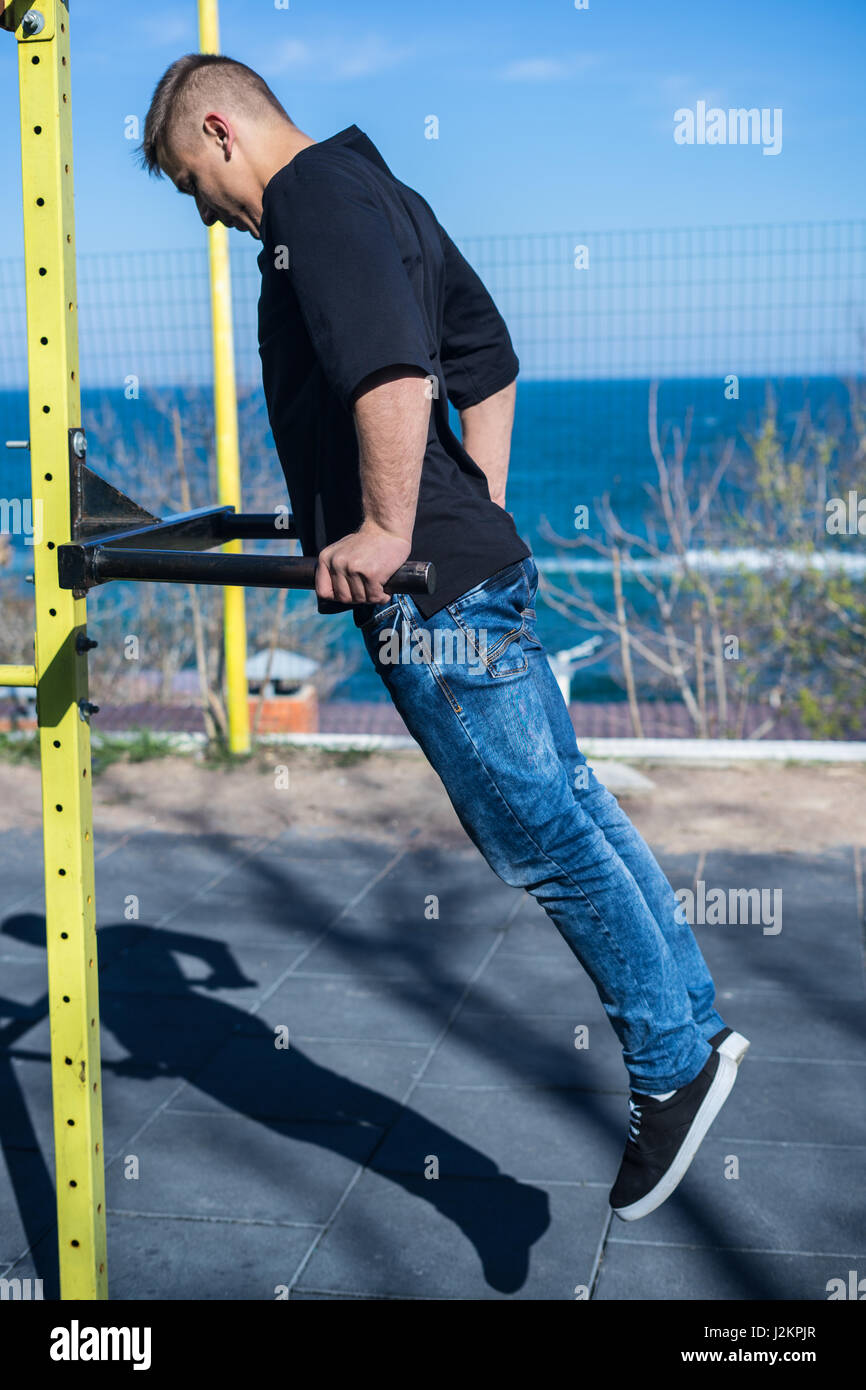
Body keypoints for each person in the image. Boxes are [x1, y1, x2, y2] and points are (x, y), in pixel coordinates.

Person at [138, 54, 749, 1224]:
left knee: (540, 841)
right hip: (474, 568)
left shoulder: (313, 200)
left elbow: (392, 370)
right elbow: (487, 355)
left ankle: (668, 1060)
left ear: (219, 131)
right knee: (570, 805)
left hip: (433, 601)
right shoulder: (384, 190)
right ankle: (694, 1025)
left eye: (187, 183)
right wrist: (476, 516)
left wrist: (384, 530)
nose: (204, 214)